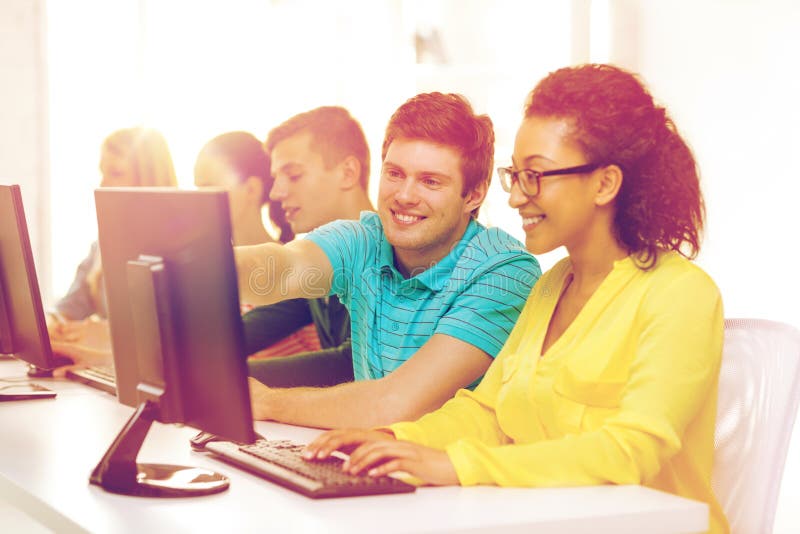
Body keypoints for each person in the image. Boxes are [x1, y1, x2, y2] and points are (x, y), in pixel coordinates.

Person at [305, 65, 728, 533]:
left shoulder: (680, 294)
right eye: (516, 175)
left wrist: (457, 466)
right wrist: (389, 439)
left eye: (536, 176)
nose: (516, 198)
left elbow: (629, 452)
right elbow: (487, 410)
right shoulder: (552, 286)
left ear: (605, 184)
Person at [237, 92, 540, 429]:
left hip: (459, 476)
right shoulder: (364, 240)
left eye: (430, 181)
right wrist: (200, 262)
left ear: (473, 194)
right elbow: (282, 269)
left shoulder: (503, 270)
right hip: (375, 461)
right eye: (395, 174)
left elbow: (396, 404)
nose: (405, 196)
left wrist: (265, 401)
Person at [241, 107, 374, 381]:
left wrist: (228, 378)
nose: (276, 193)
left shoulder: (388, 254)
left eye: (294, 175)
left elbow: (350, 364)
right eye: (276, 179)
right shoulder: (317, 257)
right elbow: (252, 328)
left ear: (347, 173)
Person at [48, 127, 177, 365]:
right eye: (102, 173)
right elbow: (72, 305)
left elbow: (175, 337)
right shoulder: (104, 243)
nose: (103, 184)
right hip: (116, 373)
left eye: (116, 173)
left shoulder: (180, 247)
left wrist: (107, 333)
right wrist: (54, 324)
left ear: (148, 179)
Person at [194, 130, 293, 246]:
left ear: (251, 189)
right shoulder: (204, 259)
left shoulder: (298, 262)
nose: (198, 200)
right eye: (198, 189)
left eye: (208, 188)